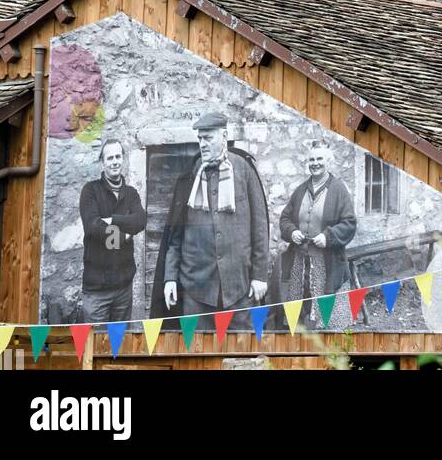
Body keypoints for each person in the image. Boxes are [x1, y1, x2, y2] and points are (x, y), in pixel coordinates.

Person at [157, 110, 270, 327]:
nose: (203, 144)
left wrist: (260, 276)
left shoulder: (244, 171)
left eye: (208, 138)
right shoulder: (190, 175)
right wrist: (170, 277)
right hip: (196, 289)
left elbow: (260, 227)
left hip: (238, 287)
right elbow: (175, 235)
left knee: (241, 353)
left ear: (224, 137)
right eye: (200, 138)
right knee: (198, 353)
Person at [279, 143, 356, 324]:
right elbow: (285, 219)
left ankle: (329, 340)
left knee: (328, 313)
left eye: (319, 159)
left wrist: (328, 237)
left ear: (328, 162)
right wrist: (292, 232)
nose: (315, 163)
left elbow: (349, 223)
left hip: (327, 260)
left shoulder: (338, 190)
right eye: (311, 159)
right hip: (299, 259)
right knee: (298, 310)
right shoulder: (300, 190)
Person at [79, 139, 147, 323]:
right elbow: (93, 228)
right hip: (97, 289)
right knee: (95, 347)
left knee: (120, 344)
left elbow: (141, 221)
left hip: (123, 286)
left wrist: (112, 220)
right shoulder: (90, 191)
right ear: (103, 162)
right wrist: (124, 236)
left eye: (118, 156)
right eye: (110, 158)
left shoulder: (131, 193)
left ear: (123, 159)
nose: (115, 161)